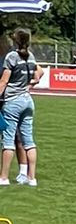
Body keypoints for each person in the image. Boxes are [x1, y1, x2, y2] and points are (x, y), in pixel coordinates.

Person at [0, 28, 40, 188]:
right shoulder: (31, 56)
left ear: (15, 40)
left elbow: (3, 81)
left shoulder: (12, 56)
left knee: (8, 140)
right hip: (27, 100)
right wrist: (25, 84)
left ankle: (3, 177)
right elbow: (36, 77)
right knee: (28, 141)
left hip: (12, 101)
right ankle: (31, 178)